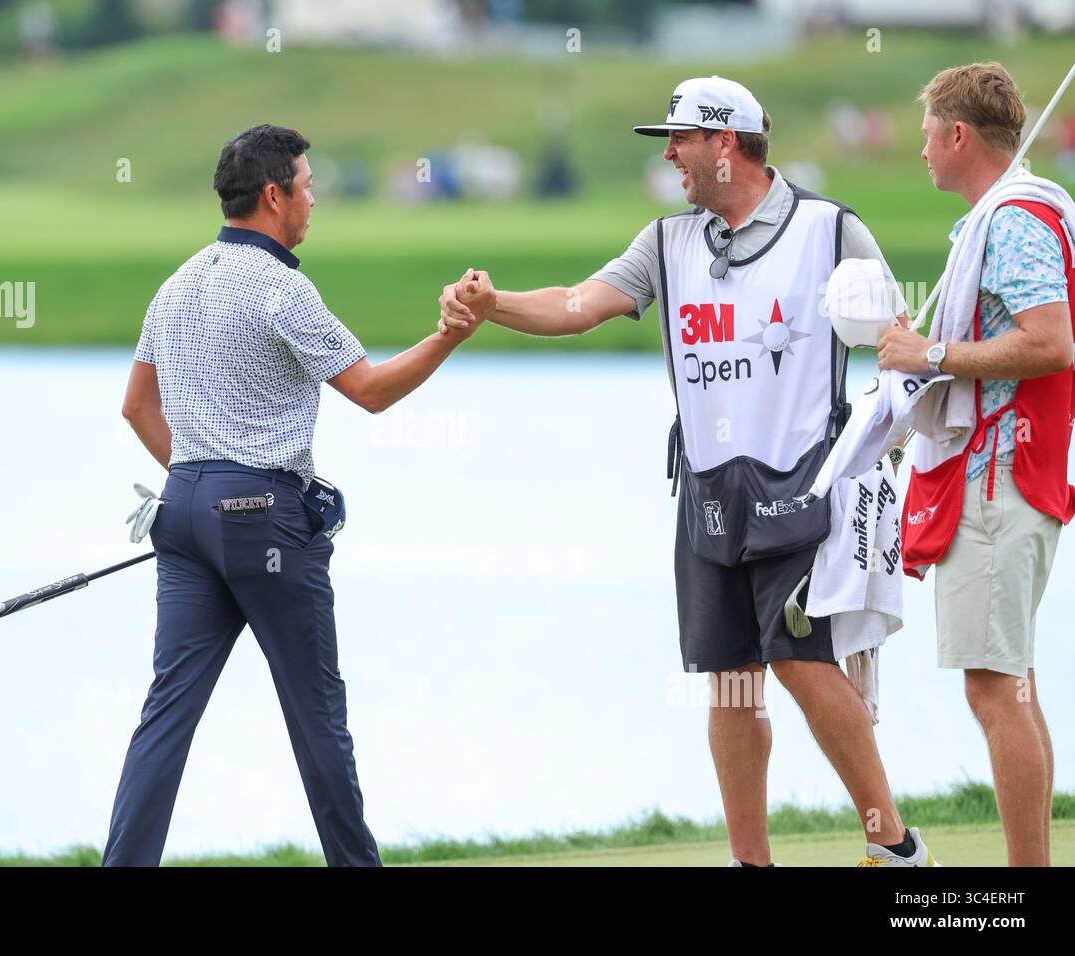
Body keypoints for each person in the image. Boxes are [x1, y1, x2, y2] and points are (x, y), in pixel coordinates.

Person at [440, 76, 938, 867]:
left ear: (725, 143)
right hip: (710, 494)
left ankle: (896, 845)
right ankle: (751, 861)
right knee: (732, 680)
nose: (669, 154)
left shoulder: (830, 230)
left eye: (679, 139)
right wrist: (494, 303)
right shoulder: (667, 242)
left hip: (804, 488)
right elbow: (579, 304)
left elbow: (900, 345)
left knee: (801, 663)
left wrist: (893, 425)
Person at [104, 123, 490, 866]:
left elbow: (136, 408)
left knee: (165, 717)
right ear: (274, 195)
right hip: (265, 527)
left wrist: (200, 479)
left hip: (180, 512)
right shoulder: (285, 289)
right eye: (308, 187)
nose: (314, 201)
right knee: (319, 719)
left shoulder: (176, 281)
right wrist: (450, 335)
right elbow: (371, 392)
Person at [877, 62, 1074, 866]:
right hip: (1004, 476)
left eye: (928, 134)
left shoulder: (1017, 219)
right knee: (1009, 684)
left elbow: (1051, 341)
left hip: (997, 477)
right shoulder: (1006, 214)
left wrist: (931, 352)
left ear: (959, 135)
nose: (922, 150)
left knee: (995, 688)